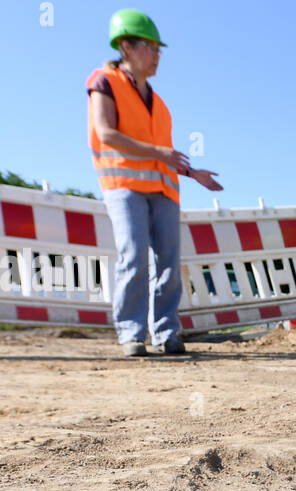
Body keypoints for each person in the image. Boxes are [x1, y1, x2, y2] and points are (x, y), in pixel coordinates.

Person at [87, 8, 222, 357]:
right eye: (149, 47)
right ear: (126, 46)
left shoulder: (159, 103)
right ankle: (131, 333)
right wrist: (160, 154)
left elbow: (164, 154)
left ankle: (166, 333)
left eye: (159, 50)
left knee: (168, 265)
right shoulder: (104, 81)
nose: (156, 55)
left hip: (164, 191)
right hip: (124, 186)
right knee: (133, 256)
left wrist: (194, 174)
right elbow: (107, 133)